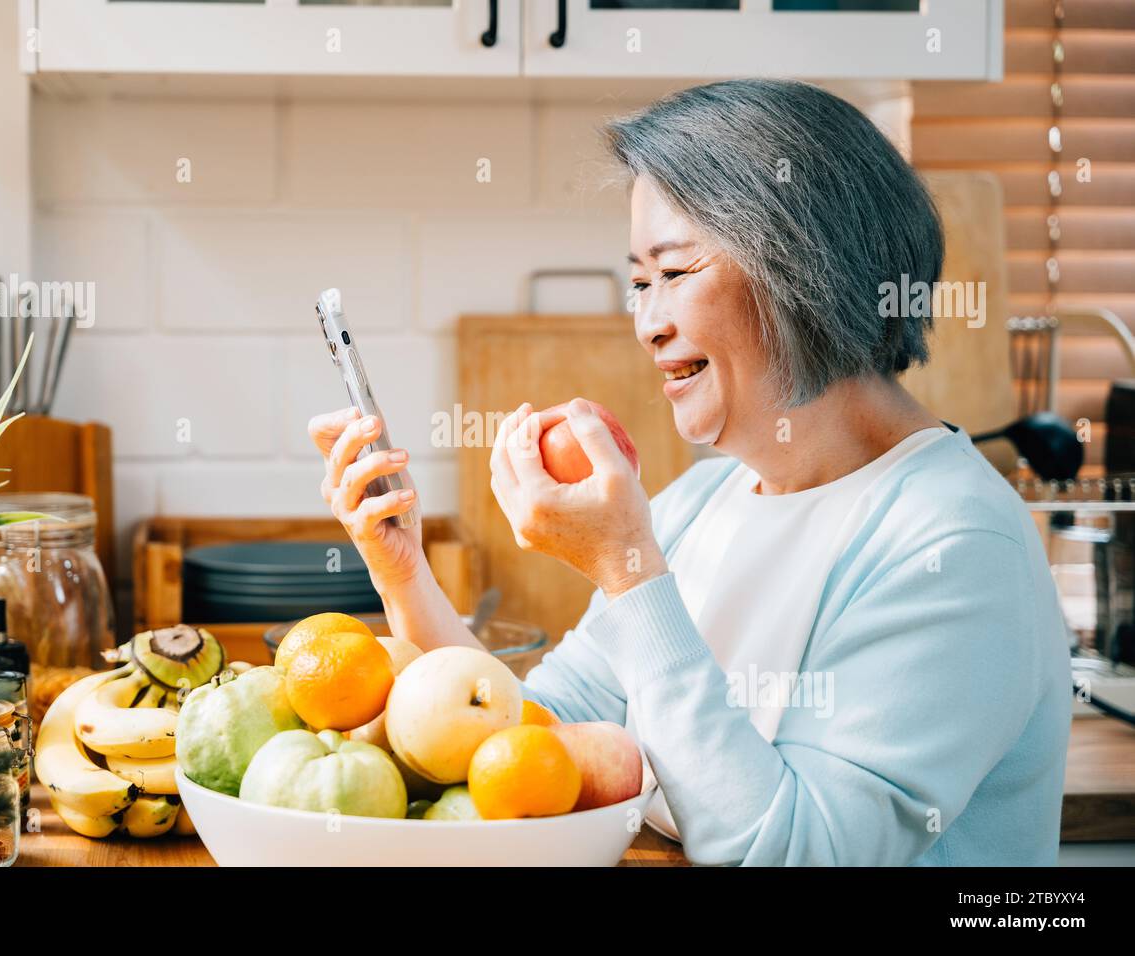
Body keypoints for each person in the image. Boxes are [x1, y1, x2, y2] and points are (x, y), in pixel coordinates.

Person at [308, 79, 1071, 865]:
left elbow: (793, 852)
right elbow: (531, 734)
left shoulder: (954, 545)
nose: (647, 323)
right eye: (639, 284)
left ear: (806, 267)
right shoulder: (706, 501)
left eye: (674, 273)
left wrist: (626, 568)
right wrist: (401, 569)